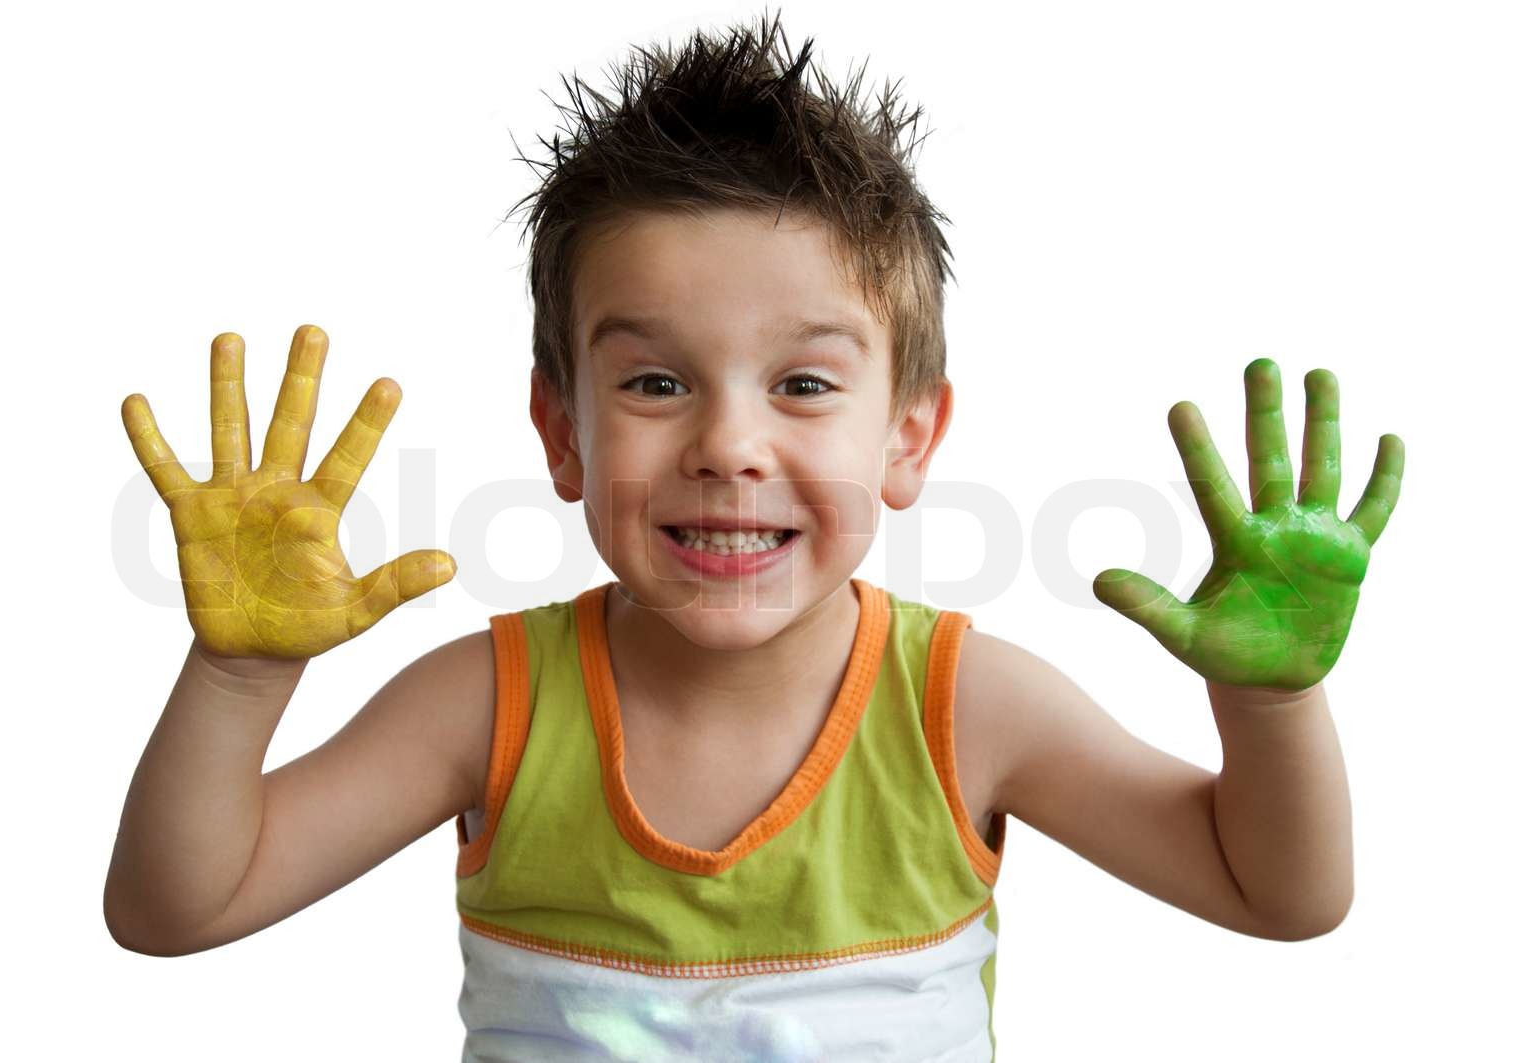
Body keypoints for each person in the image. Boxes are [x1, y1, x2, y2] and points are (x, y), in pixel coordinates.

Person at [104, 10, 1404, 1060]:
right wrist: (244, 674)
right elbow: (176, 909)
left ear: (908, 437)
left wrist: (1267, 703)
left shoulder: (971, 706)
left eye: (803, 384)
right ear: (564, 434)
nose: (728, 445)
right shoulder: (485, 706)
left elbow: (1278, 895)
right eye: (656, 383)